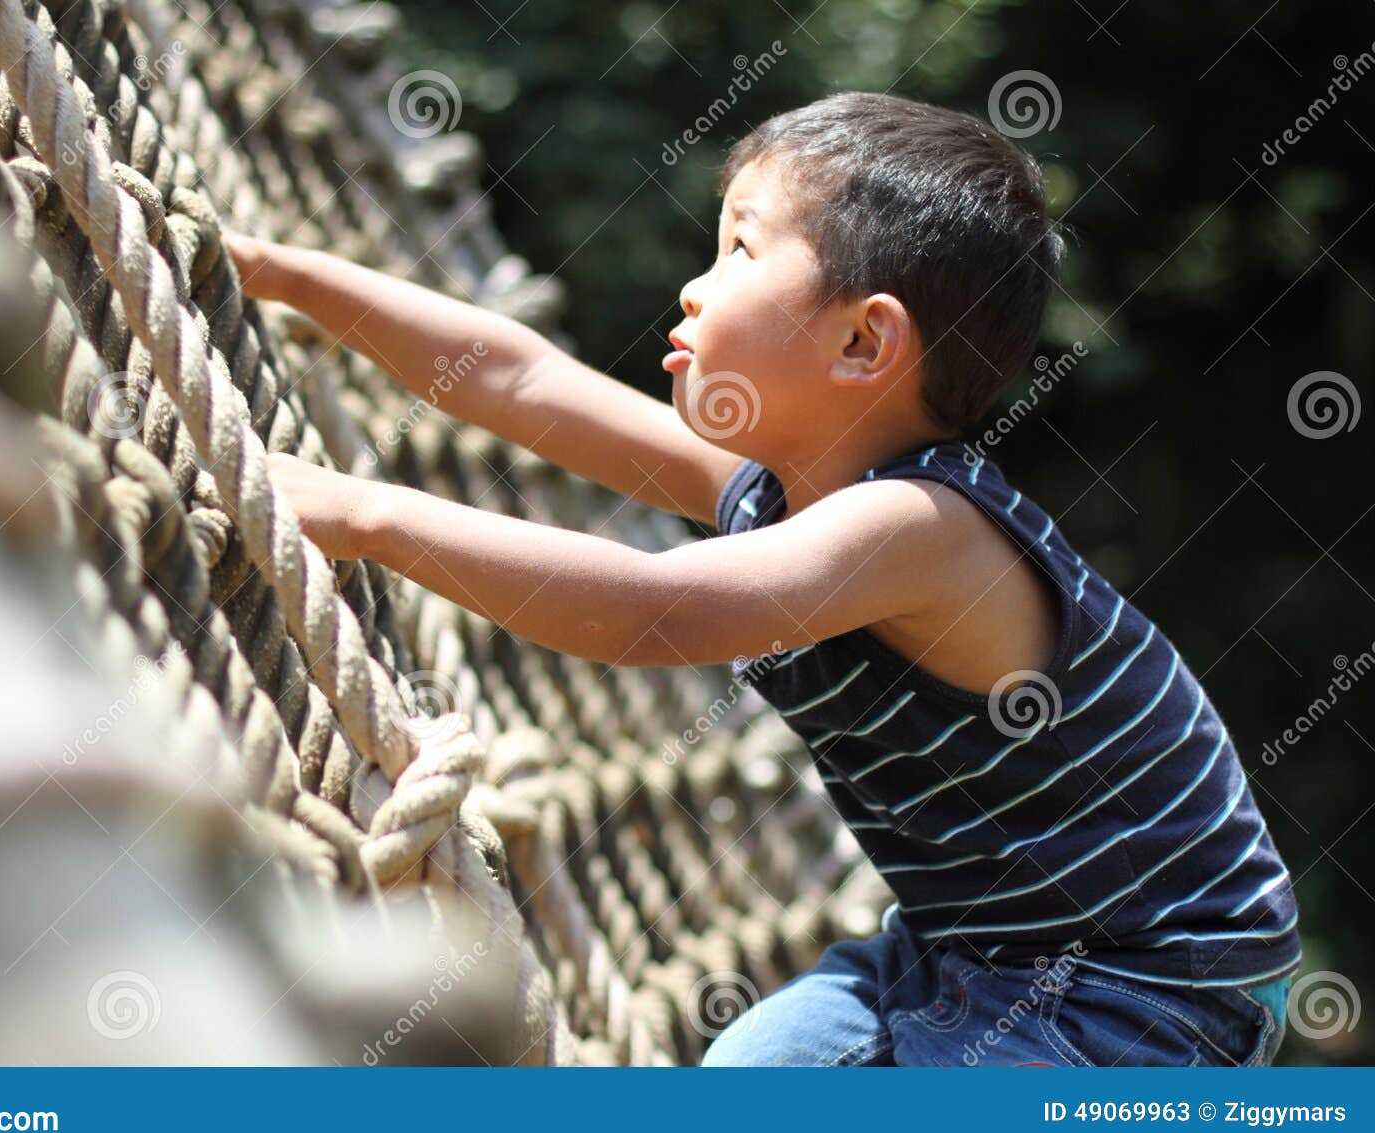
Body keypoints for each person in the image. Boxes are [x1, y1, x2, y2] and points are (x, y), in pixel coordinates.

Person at [222, 90, 1299, 1067]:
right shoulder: (783, 484)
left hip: (1145, 996)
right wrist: (280, 272)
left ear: (862, 342)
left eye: (739, 250)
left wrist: (368, 514)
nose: (694, 285)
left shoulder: (921, 528)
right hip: (960, 943)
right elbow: (521, 380)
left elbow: (651, 610)